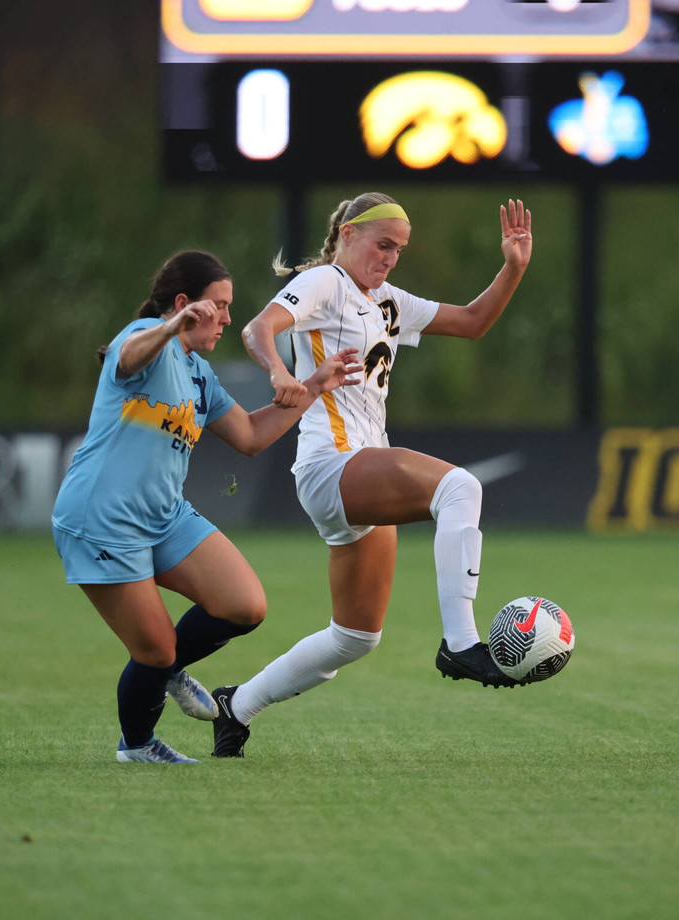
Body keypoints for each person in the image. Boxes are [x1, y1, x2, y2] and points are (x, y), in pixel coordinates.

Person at [210, 194, 534, 758]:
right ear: (346, 236)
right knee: (461, 487)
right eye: (383, 244)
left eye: (399, 250)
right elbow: (259, 328)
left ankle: (235, 708)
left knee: (355, 637)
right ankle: (461, 643)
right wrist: (280, 370)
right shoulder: (327, 283)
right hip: (332, 464)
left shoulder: (384, 300)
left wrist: (512, 267)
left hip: (358, 472)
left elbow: (474, 322)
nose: (390, 258)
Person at [52, 249, 361, 764]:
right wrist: (170, 326)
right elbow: (128, 358)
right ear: (182, 304)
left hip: (163, 515)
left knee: (244, 605)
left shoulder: (198, 372)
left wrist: (313, 388)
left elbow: (250, 436)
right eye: (218, 306)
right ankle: (138, 745)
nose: (227, 318)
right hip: (103, 519)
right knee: (154, 650)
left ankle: (168, 669)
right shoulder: (142, 338)